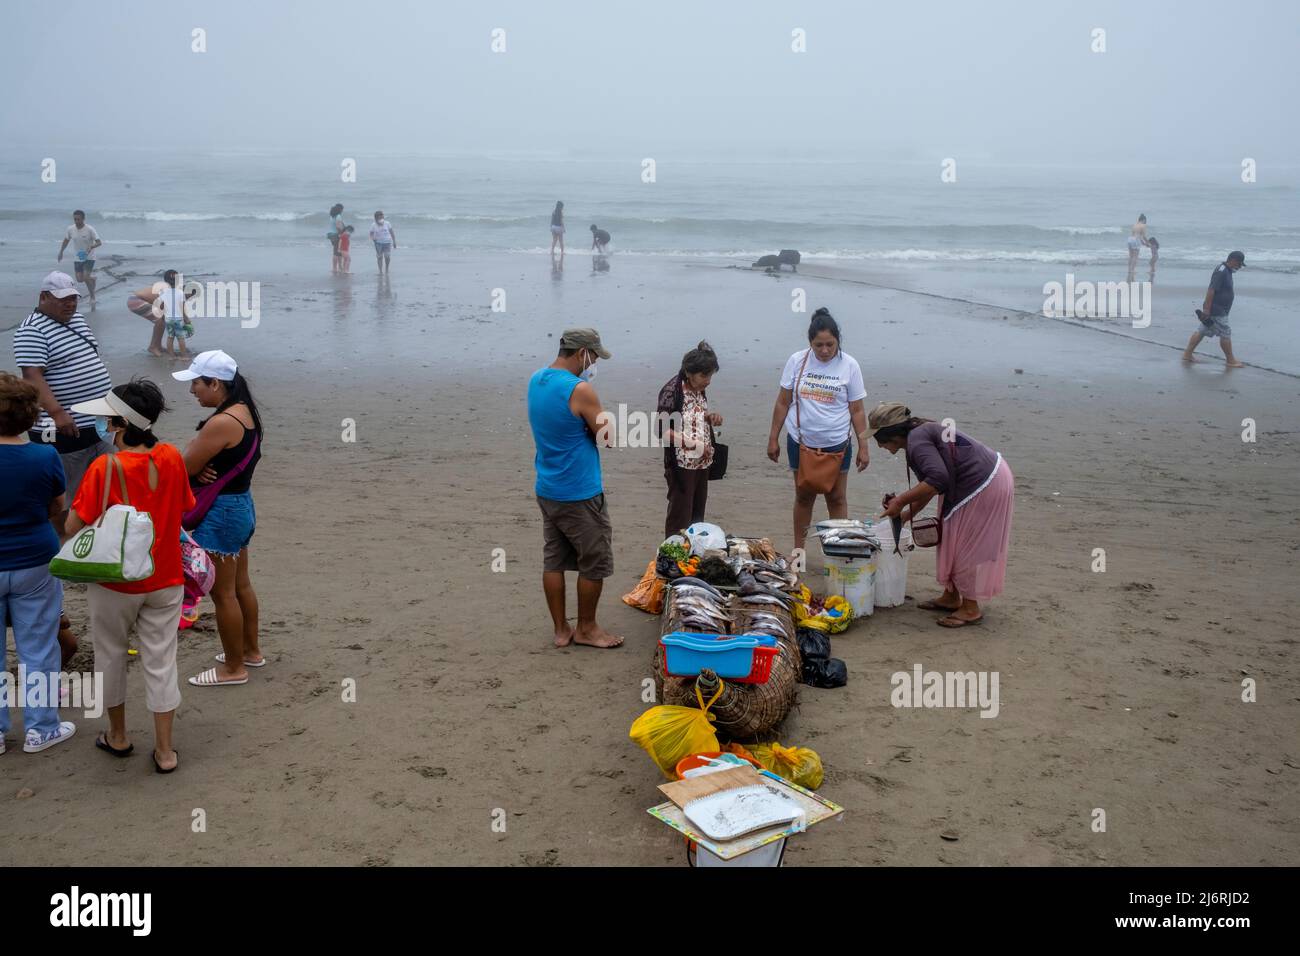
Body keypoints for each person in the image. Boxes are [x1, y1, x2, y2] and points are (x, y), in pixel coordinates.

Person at [65, 379, 193, 773]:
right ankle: (166, 751)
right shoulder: (172, 456)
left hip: (115, 579)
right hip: (166, 576)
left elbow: (73, 525)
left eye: (107, 419)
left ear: (119, 424)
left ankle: (118, 736)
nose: (103, 424)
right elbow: (184, 506)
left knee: (111, 655)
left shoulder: (105, 466)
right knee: (161, 659)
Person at [14, 271, 114, 664]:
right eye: (62, 299)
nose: (70, 304)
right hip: (63, 427)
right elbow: (32, 376)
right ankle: (70, 553)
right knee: (66, 499)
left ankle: (98, 546)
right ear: (43, 297)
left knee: (108, 484)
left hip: (97, 424)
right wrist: (57, 412)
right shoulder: (31, 330)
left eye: (73, 297)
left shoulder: (75, 320)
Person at [870, 403, 1015, 628]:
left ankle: (970, 608)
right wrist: (907, 513)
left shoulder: (917, 440)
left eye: (878, 439)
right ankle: (951, 597)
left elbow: (937, 480)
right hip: (979, 479)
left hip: (984, 483)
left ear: (891, 435)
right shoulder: (918, 435)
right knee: (951, 539)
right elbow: (931, 485)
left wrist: (900, 501)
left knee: (966, 546)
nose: (878, 445)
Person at [526, 328, 622, 649]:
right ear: (582, 352)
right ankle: (587, 628)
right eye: (594, 356)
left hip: (548, 485)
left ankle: (560, 629)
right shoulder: (580, 390)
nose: (594, 362)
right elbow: (608, 438)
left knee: (553, 558)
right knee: (593, 560)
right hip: (579, 490)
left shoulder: (537, 379)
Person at [173, 350, 264, 685]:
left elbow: (183, 467)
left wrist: (194, 464)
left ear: (216, 383)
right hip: (241, 505)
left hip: (223, 512)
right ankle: (249, 652)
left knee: (223, 594)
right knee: (241, 586)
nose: (193, 390)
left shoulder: (222, 422)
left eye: (197, 383)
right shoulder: (245, 412)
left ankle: (233, 668)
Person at [0, 373, 76, 755]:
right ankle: (41, 727)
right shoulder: (44, 455)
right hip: (35, 557)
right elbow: (56, 507)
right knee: (39, 648)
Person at [766, 308, 870, 553]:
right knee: (804, 497)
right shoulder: (797, 361)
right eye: (818, 345)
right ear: (810, 342)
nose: (824, 351)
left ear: (838, 341)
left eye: (830, 345)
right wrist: (773, 438)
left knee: (836, 498)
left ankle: (839, 550)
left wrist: (864, 446)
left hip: (838, 444)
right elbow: (783, 402)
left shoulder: (850, 365)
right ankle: (799, 551)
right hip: (800, 442)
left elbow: (857, 410)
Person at [657, 341, 721, 537]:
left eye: (710, 375)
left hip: (701, 462)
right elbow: (663, 432)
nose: (708, 380)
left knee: (696, 517)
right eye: (704, 375)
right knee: (680, 517)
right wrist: (696, 444)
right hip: (681, 465)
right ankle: (672, 561)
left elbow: (694, 413)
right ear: (688, 372)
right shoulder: (671, 392)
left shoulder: (699, 388)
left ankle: (692, 557)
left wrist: (709, 417)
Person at [1184, 251, 1246, 367]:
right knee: (1225, 332)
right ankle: (1230, 360)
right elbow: (1211, 290)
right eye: (1239, 264)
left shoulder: (1226, 270)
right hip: (1217, 309)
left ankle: (1187, 354)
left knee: (1202, 330)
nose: (1239, 267)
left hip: (1218, 308)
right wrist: (1207, 309)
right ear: (1233, 260)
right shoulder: (1221, 271)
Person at [57, 210, 101, 306]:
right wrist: (61, 252)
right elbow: (66, 240)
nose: (76, 221)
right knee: (80, 279)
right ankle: (92, 279)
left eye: (78, 219)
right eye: (75, 219)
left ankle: (92, 297)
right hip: (78, 258)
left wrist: (91, 247)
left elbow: (99, 242)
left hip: (89, 257)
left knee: (85, 277)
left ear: (83, 219)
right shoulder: (70, 229)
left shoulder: (90, 229)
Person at [154, 270, 195, 357]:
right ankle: (184, 356)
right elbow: (182, 308)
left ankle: (171, 357)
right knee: (180, 338)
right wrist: (186, 319)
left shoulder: (162, 292)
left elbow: (161, 307)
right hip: (178, 319)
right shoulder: (180, 293)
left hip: (168, 319)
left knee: (170, 337)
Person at [1127, 214, 1149, 283]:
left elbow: (1135, 235)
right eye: (1145, 220)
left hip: (1130, 239)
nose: (1146, 222)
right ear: (1143, 220)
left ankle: (1129, 269)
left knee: (1131, 256)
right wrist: (1147, 243)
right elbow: (1143, 236)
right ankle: (1132, 270)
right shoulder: (1143, 225)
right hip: (1136, 240)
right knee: (1135, 257)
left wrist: (1143, 243)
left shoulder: (1135, 225)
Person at [326, 203, 346, 268]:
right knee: (337, 252)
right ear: (340, 209)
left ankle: (338, 267)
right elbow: (338, 226)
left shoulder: (332, 216)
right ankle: (336, 268)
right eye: (342, 209)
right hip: (336, 235)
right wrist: (341, 233)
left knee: (337, 252)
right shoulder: (338, 216)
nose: (342, 211)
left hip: (331, 235)